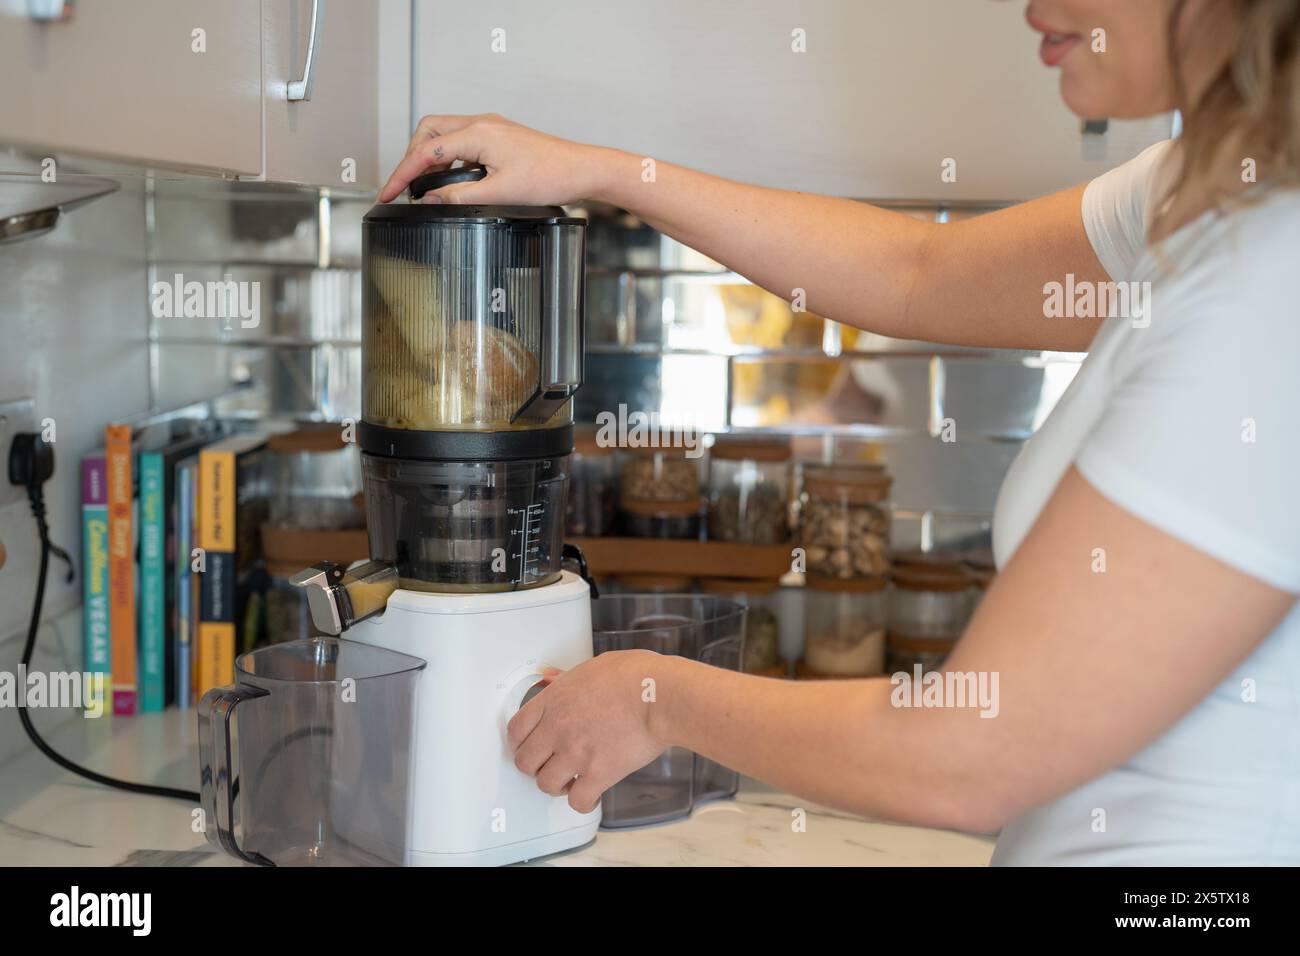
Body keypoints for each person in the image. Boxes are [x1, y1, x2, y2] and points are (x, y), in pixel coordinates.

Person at [379, 0, 1300, 864]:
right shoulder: (1211, 193)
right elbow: (918, 274)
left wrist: (660, 699)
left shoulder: (1272, 271)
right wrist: (609, 172)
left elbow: (972, 754)